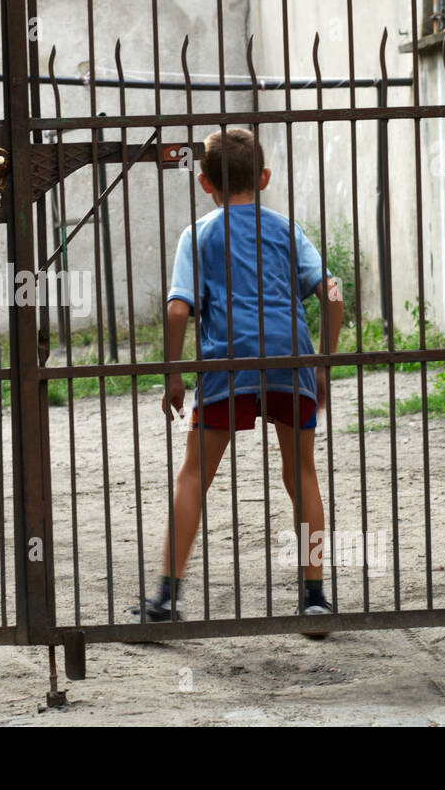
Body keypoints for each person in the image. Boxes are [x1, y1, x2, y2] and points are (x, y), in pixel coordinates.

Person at [142, 127, 344, 635]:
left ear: (205, 183)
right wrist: (322, 362)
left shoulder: (199, 234)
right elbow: (333, 292)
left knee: (194, 475)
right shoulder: (287, 229)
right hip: (288, 357)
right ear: (266, 178)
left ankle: (166, 598)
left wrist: (172, 373)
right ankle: (315, 599)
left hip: (226, 364)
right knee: (302, 474)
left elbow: (177, 307)